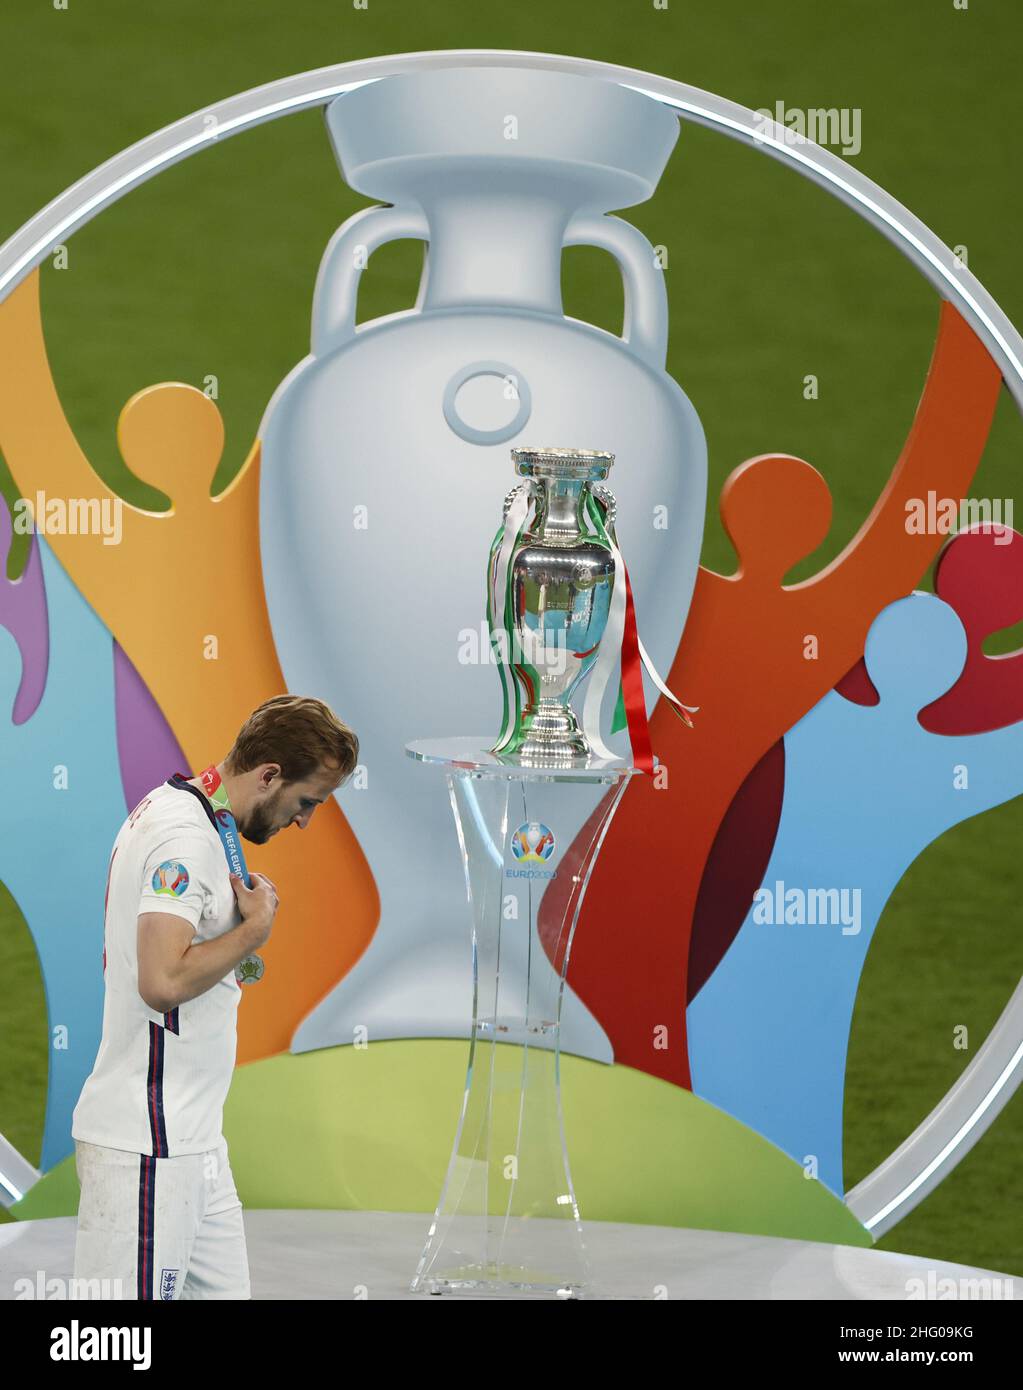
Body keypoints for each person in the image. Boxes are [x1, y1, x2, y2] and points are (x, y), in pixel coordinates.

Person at [71, 694, 359, 1300]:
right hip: (148, 1149)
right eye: (307, 802)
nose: (304, 821)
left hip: (195, 1144)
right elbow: (161, 981)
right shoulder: (185, 840)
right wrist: (253, 932)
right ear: (269, 776)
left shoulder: (197, 814)